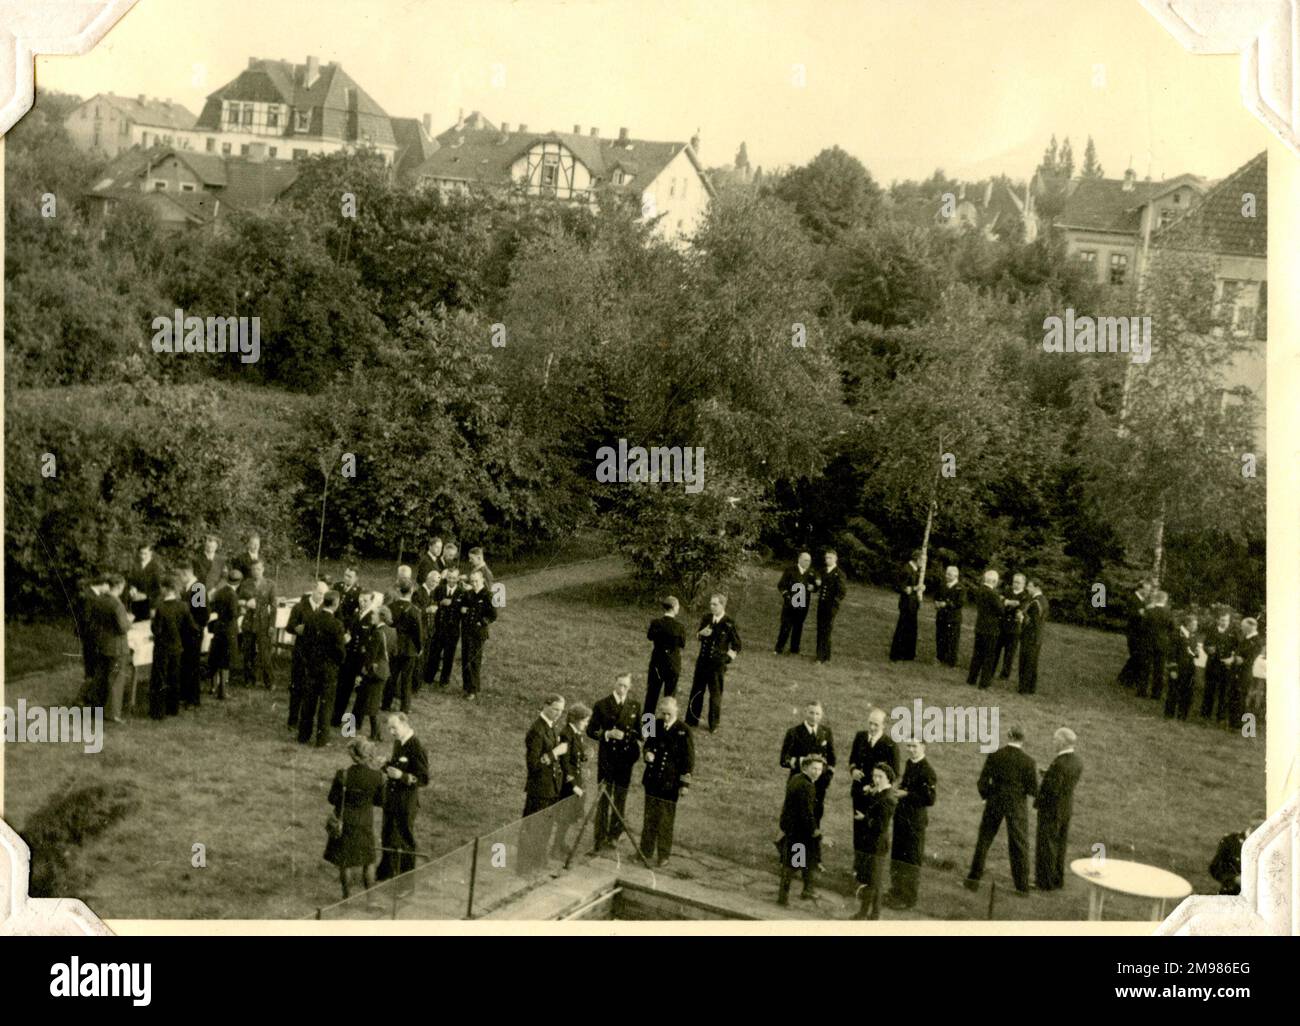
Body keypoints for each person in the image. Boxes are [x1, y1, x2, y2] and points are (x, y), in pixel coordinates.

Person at [965, 726, 1038, 894]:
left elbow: (982, 781)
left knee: (984, 840)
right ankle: (1022, 887)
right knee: (1019, 844)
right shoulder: (1029, 761)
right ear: (1023, 739)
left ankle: (973, 880)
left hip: (994, 803)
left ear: (1009, 736)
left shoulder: (995, 755)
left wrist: (987, 797)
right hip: (1016, 806)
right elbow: (1033, 789)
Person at [324, 738, 387, 899]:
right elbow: (381, 801)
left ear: (354, 756)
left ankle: (346, 897)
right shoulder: (378, 777)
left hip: (344, 822)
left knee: (345, 862)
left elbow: (332, 799)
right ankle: (371, 900)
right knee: (369, 861)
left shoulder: (343, 775)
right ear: (369, 755)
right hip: (365, 822)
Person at [586, 674, 643, 851]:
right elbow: (591, 730)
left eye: (626, 686)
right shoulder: (601, 705)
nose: (622, 689)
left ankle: (614, 836)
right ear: (614, 684)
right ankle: (600, 836)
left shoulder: (635, 706)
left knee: (620, 797)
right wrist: (607, 734)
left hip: (625, 760)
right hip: (607, 759)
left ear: (630, 687)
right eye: (620, 685)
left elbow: (640, 732)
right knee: (604, 796)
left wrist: (634, 738)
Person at [640, 696, 694, 867]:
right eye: (663, 713)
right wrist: (647, 753)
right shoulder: (653, 724)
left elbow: (689, 761)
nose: (666, 717)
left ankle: (663, 855)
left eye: (669, 713)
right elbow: (647, 744)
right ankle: (644, 851)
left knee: (665, 821)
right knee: (649, 818)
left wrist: (684, 784)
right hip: (652, 781)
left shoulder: (684, 730)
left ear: (676, 711)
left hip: (670, 784)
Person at [376, 712, 429, 883]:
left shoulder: (416, 746)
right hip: (391, 800)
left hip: (406, 803)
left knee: (405, 840)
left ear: (405, 724)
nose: (392, 732)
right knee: (387, 835)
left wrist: (403, 777)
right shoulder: (399, 742)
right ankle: (386, 873)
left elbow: (423, 778)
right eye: (389, 728)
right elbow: (396, 768)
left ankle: (406, 881)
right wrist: (386, 765)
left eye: (394, 728)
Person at [886, 738, 937, 910]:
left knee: (911, 859)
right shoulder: (910, 763)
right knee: (898, 855)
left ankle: (908, 898)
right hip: (902, 818)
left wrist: (906, 794)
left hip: (915, 822)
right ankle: (896, 891)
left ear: (924, 747)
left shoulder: (927, 771)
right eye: (909, 746)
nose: (911, 749)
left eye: (915, 746)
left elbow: (930, 799)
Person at [520, 694, 568, 874]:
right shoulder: (537, 730)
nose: (558, 714)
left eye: (561, 711)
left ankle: (538, 862)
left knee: (544, 829)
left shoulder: (550, 727)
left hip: (550, 788)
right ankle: (525, 867)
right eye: (555, 709)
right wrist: (555, 753)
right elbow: (533, 765)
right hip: (539, 789)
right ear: (545, 705)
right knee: (532, 829)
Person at [1033, 727, 1083, 891]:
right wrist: (1049, 774)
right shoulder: (1077, 761)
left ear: (1062, 742)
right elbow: (1064, 782)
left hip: (1051, 809)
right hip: (1066, 807)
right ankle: (1057, 879)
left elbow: (1052, 790)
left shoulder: (1059, 763)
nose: (1053, 742)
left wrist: (1039, 799)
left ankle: (1044, 882)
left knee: (1046, 844)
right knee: (1060, 845)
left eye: (1055, 739)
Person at [685, 593, 741, 733]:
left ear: (722, 605)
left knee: (715, 694)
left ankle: (713, 724)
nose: (712, 607)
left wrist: (726, 659)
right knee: (697, 691)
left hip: (717, 666)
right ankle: (691, 720)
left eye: (715, 604)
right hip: (702, 662)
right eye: (711, 604)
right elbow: (698, 635)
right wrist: (701, 633)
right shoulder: (707, 618)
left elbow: (737, 645)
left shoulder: (729, 623)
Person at [299, 591, 348, 746]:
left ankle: (303, 735)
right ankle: (322, 739)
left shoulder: (311, 619)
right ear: (336, 603)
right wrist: (337, 661)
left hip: (312, 666)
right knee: (326, 705)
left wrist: (309, 660)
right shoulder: (336, 624)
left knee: (308, 702)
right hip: (329, 669)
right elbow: (340, 651)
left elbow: (304, 645)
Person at [851, 762, 898, 919]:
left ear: (888, 778)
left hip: (877, 843)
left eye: (880, 777)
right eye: (874, 776)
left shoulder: (888, 798)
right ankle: (875, 914)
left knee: (872, 880)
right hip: (873, 842)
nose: (876, 779)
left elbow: (880, 825)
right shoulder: (880, 792)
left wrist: (864, 819)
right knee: (875, 879)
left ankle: (863, 913)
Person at [777, 753, 824, 905]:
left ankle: (807, 889)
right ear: (806, 767)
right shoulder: (808, 786)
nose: (817, 772)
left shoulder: (796, 778)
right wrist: (814, 830)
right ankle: (783, 898)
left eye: (819, 769)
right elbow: (806, 812)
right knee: (793, 865)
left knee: (805, 861)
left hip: (791, 827)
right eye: (814, 768)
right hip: (800, 832)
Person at [779, 701, 836, 829]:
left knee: (815, 813)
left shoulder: (826, 732)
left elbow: (832, 759)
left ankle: (813, 844)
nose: (814, 717)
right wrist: (803, 761)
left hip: (819, 783)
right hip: (799, 782)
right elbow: (783, 759)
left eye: (817, 713)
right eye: (811, 713)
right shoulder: (794, 732)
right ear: (805, 712)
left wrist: (827, 778)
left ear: (821, 715)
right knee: (796, 815)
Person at [148, 576, 194, 720]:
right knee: (174, 677)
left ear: (166, 589)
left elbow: (157, 630)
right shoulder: (184, 606)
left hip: (162, 647)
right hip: (177, 646)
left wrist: (152, 621)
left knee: (160, 678)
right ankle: (173, 708)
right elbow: (190, 626)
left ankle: (158, 712)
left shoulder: (161, 608)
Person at [287, 581, 328, 729]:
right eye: (319, 593)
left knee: (311, 690)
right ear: (313, 591)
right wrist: (296, 629)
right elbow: (289, 626)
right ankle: (292, 719)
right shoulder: (300, 607)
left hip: (316, 655)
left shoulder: (325, 608)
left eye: (324, 594)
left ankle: (306, 720)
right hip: (301, 653)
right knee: (297, 687)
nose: (321, 597)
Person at [92, 574, 133, 722]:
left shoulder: (99, 600)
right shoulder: (117, 604)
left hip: (103, 643)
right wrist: (130, 621)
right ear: (120, 586)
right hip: (117, 647)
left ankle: (97, 707)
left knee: (101, 677)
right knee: (116, 679)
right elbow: (123, 628)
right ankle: (113, 713)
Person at [553, 702, 591, 858]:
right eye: (584, 720)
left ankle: (560, 843)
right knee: (564, 817)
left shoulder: (577, 734)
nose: (586, 724)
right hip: (567, 784)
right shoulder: (566, 734)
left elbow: (578, 755)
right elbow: (565, 762)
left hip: (576, 779)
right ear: (576, 719)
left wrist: (586, 755)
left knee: (568, 818)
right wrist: (574, 785)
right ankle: (555, 848)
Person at [353, 600, 393, 742]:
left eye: (374, 615)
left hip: (374, 672)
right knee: (370, 702)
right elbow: (393, 651)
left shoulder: (377, 633)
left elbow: (371, 655)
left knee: (371, 705)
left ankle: (376, 734)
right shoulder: (392, 631)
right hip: (384, 670)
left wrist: (363, 672)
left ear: (381, 617)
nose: (371, 616)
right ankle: (367, 731)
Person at [382, 581, 423, 713]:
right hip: (409, 649)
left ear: (399, 591)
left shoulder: (391, 607)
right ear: (411, 592)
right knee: (407, 679)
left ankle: (386, 703)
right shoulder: (414, 610)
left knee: (391, 676)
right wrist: (419, 647)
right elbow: (418, 632)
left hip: (394, 646)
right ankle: (405, 707)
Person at [237, 559, 276, 689]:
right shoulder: (246, 584)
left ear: (263, 569)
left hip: (263, 622)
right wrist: (243, 604)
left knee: (265, 654)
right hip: (248, 621)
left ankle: (269, 681)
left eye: (258, 569)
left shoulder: (270, 585)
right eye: (253, 569)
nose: (256, 572)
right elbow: (238, 599)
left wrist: (271, 625)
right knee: (248, 652)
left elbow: (274, 607)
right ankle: (249, 679)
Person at [645, 596, 686, 717]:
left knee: (651, 695)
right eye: (678, 606)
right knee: (670, 697)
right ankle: (666, 726)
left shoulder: (656, 623)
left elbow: (650, 636)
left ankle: (648, 729)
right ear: (674, 608)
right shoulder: (679, 627)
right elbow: (682, 644)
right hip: (673, 664)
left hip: (657, 663)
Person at [459, 568, 497, 699]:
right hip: (466, 631)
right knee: (465, 658)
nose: (474, 583)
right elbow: (461, 608)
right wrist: (462, 611)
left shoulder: (487, 595)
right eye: (472, 581)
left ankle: (473, 689)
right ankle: (466, 686)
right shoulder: (468, 594)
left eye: (476, 581)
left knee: (474, 660)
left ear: (482, 580)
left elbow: (493, 615)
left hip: (478, 633)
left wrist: (482, 621)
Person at [206, 568, 242, 701]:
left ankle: (213, 687)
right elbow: (233, 614)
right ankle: (223, 691)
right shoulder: (233, 595)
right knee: (225, 660)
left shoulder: (219, 592)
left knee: (215, 657)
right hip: (228, 630)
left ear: (227, 580)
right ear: (239, 582)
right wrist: (241, 610)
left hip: (217, 628)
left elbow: (212, 608)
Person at [173, 561, 206, 709]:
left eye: (180, 575)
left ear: (186, 573)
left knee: (192, 666)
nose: (178, 578)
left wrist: (191, 628)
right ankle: (184, 695)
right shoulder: (187, 588)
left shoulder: (197, 588)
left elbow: (199, 615)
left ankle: (193, 699)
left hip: (193, 632)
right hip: (186, 632)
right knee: (185, 665)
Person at [966, 570, 1004, 689]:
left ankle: (971, 679)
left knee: (977, 654)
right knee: (989, 657)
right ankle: (984, 683)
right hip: (991, 629)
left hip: (980, 626)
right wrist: (1002, 602)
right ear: (994, 581)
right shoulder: (993, 594)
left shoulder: (980, 590)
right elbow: (1000, 610)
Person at [775, 551, 817, 655]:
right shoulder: (790, 570)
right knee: (786, 625)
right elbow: (781, 585)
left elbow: (815, 586)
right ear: (800, 559)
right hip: (790, 603)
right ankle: (778, 649)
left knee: (798, 626)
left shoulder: (811, 573)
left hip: (803, 604)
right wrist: (787, 597)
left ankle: (794, 649)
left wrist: (814, 588)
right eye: (805, 560)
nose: (807, 563)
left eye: (809, 561)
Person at [427, 567, 463, 686]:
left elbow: (464, 609)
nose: (451, 580)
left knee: (449, 655)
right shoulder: (439, 589)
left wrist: (454, 605)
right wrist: (440, 603)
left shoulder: (462, 592)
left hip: (453, 629)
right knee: (434, 653)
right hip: (439, 628)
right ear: (446, 577)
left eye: (454, 578)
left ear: (458, 579)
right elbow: (432, 604)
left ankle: (444, 680)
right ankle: (429, 677)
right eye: (449, 577)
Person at [76, 575, 108, 703]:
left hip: (90, 636)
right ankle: (82, 698)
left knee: (92, 668)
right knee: (92, 668)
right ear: (103, 584)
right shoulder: (89, 597)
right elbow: (87, 620)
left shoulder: (90, 594)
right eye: (108, 586)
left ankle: (88, 697)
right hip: (91, 637)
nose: (108, 589)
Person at [889, 551, 924, 662]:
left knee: (911, 628)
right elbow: (900, 586)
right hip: (906, 604)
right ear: (917, 559)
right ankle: (896, 654)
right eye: (922, 560)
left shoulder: (915, 570)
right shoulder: (906, 569)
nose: (923, 562)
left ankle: (907, 654)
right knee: (903, 627)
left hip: (912, 604)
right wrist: (913, 588)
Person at [1117, 580, 1153, 688]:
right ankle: (1126, 678)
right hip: (1134, 632)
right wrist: (1143, 613)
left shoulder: (1141, 600)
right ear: (1140, 589)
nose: (1148, 592)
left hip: (1139, 633)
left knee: (1137, 656)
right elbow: (1132, 615)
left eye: (1149, 590)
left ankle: (1127, 678)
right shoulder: (1133, 599)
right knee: (1136, 655)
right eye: (1147, 590)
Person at [848, 707, 899, 783]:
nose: (872, 727)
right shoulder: (860, 737)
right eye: (870, 723)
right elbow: (852, 759)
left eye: (876, 725)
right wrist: (853, 770)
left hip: (877, 792)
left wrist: (875, 786)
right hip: (857, 789)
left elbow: (895, 773)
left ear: (883, 725)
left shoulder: (890, 745)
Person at [1201, 610, 1236, 721]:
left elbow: (1236, 648)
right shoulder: (1212, 630)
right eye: (1222, 620)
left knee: (1223, 691)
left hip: (1225, 666)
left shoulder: (1233, 633)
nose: (1224, 622)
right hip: (1212, 664)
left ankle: (1220, 716)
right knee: (1209, 690)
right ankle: (1205, 714)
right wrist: (1208, 649)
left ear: (1229, 621)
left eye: (1226, 620)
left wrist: (1231, 658)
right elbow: (1205, 644)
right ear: (1218, 620)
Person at [990, 572, 1026, 679]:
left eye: (1018, 583)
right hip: (1002, 625)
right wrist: (1009, 602)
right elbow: (1000, 600)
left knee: (1009, 653)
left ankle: (1004, 674)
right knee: (995, 650)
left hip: (1014, 628)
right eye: (1014, 582)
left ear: (1023, 584)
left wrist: (1008, 603)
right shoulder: (1007, 591)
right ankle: (991, 670)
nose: (1015, 584)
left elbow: (1022, 607)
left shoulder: (1025, 595)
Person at [1166, 614, 1202, 720]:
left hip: (1188, 668)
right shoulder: (1177, 634)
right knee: (1173, 692)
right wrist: (1172, 669)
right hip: (1178, 668)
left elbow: (1192, 652)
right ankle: (1169, 714)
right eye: (1195, 624)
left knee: (1186, 693)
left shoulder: (1192, 635)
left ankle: (1182, 716)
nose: (1196, 627)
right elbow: (1172, 653)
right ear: (1188, 624)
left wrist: (1196, 653)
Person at [815, 549, 847, 664]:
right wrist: (817, 580)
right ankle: (825, 656)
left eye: (830, 558)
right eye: (826, 558)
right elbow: (817, 578)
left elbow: (842, 592)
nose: (827, 560)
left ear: (835, 559)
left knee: (826, 631)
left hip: (831, 606)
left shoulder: (839, 573)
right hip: (821, 605)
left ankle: (821, 657)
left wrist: (834, 606)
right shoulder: (823, 571)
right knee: (820, 629)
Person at [1231, 618, 1264, 729]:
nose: (1241, 628)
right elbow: (1238, 651)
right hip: (1239, 670)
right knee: (1236, 695)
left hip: (1245, 672)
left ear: (1250, 627)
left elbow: (1251, 657)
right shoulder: (1246, 638)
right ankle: (1234, 721)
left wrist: (1242, 660)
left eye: (1243, 626)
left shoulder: (1257, 641)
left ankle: (1239, 724)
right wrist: (1236, 657)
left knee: (1241, 695)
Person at [1017, 580, 1047, 695]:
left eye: (1029, 586)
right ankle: (1031, 688)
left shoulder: (1035, 603)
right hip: (1037, 637)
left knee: (1025, 662)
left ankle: (1023, 688)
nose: (1027, 588)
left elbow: (1032, 621)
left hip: (1030, 637)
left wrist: (1021, 619)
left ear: (1036, 587)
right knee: (1033, 663)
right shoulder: (1043, 600)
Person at [1142, 590, 1173, 701]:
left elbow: (1143, 626)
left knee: (1146, 667)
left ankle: (1142, 691)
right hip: (1162, 643)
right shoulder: (1169, 613)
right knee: (1159, 669)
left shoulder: (1150, 612)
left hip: (1149, 642)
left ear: (1156, 598)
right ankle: (1156, 693)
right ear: (1165, 599)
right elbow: (1172, 629)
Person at [933, 565, 964, 668]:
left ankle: (951, 661)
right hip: (941, 616)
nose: (947, 576)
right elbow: (936, 597)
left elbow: (960, 603)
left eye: (949, 574)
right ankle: (939, 657)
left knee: (952, 639)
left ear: (956, 575)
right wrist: (936, 603)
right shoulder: (942, 585)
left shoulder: (960, 588)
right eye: (946, 573)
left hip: (953, 618)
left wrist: (946, 604)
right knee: (940, 637)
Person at [125, 542, 162, 622]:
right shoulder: (135, 566)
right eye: (141, 553)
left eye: (145, 553)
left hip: (150, 606)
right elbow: (130, 580)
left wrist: (146, 595)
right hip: (136, 605)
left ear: (151, 553)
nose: (142, 556)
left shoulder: (156, 567)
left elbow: (159, 589)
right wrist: (132, 588)